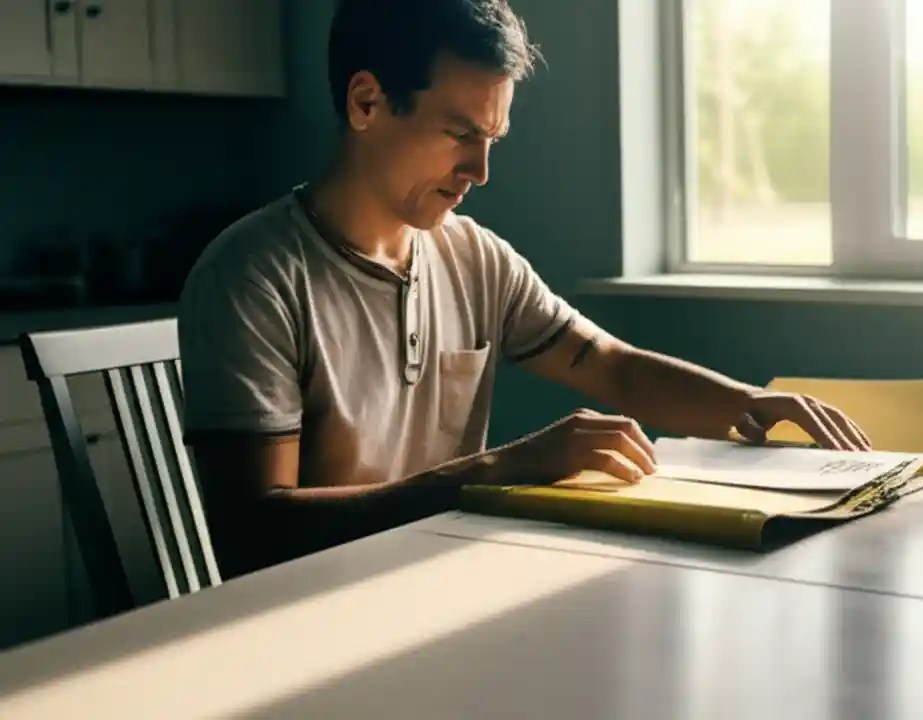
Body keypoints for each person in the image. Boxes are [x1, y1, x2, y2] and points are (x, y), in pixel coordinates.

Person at [179, 0, 870, 578]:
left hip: (435, 588)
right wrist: (502, 468)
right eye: (459, 134)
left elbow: (613, 367)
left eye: (493, 139)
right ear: (367, 102)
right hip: (302, 627)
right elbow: (253, 531)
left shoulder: (475, 256)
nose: (480, 170)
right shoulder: (253, 276)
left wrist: (747, 404)